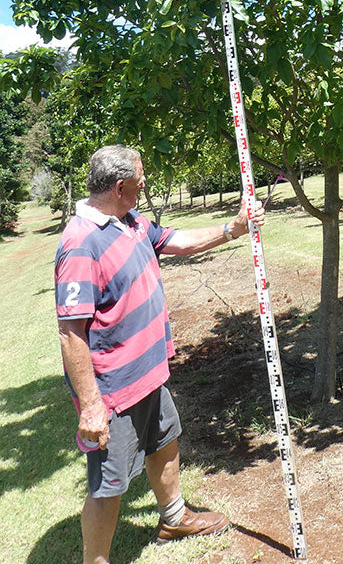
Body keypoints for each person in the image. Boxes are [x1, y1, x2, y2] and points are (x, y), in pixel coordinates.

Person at [54, 144, 265, 564]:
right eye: (140, 177)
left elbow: (176, 242)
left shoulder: (128, 221)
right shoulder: (80, 244)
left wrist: (234, 228)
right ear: (119, 187)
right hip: (114, 391)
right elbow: (71, 334)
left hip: (149, 372)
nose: (145, 182)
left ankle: (173, 517)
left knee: (165, 442)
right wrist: (92, 406)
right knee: (108, 485)